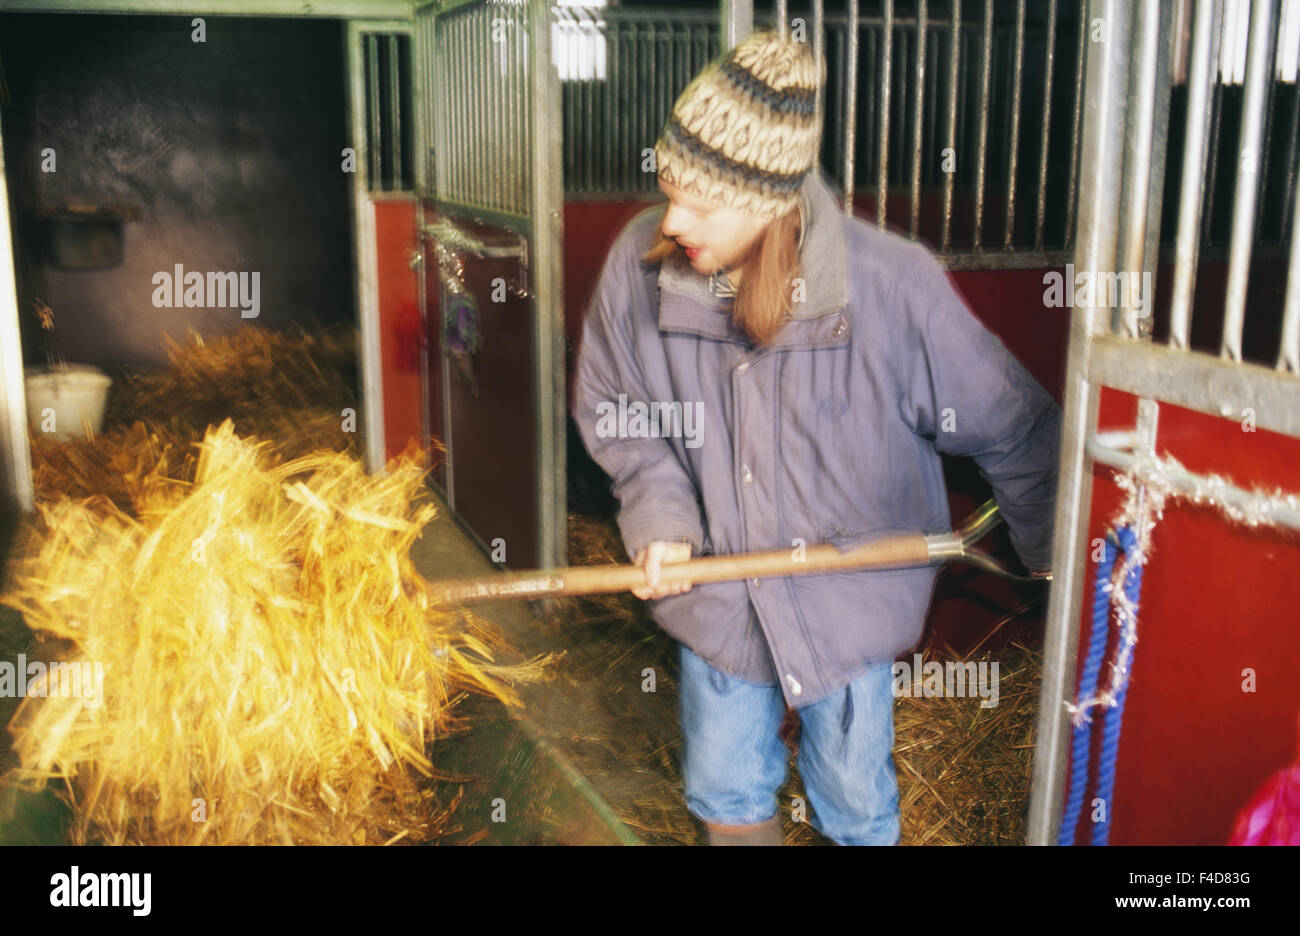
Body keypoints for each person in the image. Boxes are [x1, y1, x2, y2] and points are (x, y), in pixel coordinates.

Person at [571, 31, 1060, 846]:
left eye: (703, 200)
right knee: (726, 790)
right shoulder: (638, 265)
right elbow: (617, 409)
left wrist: (1049, 550)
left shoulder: (891, 287)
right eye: (669, 186)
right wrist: (661, 518)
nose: (672, 217)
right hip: (719, 592)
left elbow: (1013, 424)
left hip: (846, 602)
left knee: (854, 800)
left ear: (769, 199)